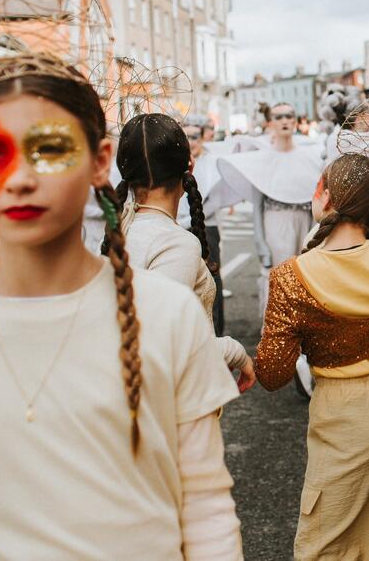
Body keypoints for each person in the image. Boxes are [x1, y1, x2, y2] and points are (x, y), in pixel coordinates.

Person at [0, 53, 242, 558]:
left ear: (99, 160)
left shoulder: (167, 316)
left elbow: (205, 513)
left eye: (49, 149)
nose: (19, 178)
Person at [257, 153, 369, 560]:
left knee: (331, 543)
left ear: (323, 194)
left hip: (347, 417)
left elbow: (273, 373)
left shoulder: (292, 277)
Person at [113, 112, 254, 390]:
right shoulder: (177, 243)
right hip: (170, 406)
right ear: (190, 165)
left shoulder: (116, 233)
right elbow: (160, 346)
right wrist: (233, 350)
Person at [217, 101, 322, 315]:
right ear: (270, 123)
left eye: (289, 115)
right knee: (278, 279)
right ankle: (277, 335)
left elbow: (316, 198)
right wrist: (261, 243)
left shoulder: (310, 156)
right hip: (275, 223)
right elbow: (257, 207)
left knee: (304, 279)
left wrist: (316, 235)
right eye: (279, 117)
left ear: (295, 120)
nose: (285, 120)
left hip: (305, 221)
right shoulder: (262, 160)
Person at [179, 118, 235, 335]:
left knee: (211, 279)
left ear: (202, 139)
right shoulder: (177, 162)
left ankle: (216, 332)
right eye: (185, 137)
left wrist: (186, 221)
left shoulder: (212, 162)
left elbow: (215, 202)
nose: (190, 141)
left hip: (206, 227)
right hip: (180, 227)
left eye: (194, 136)